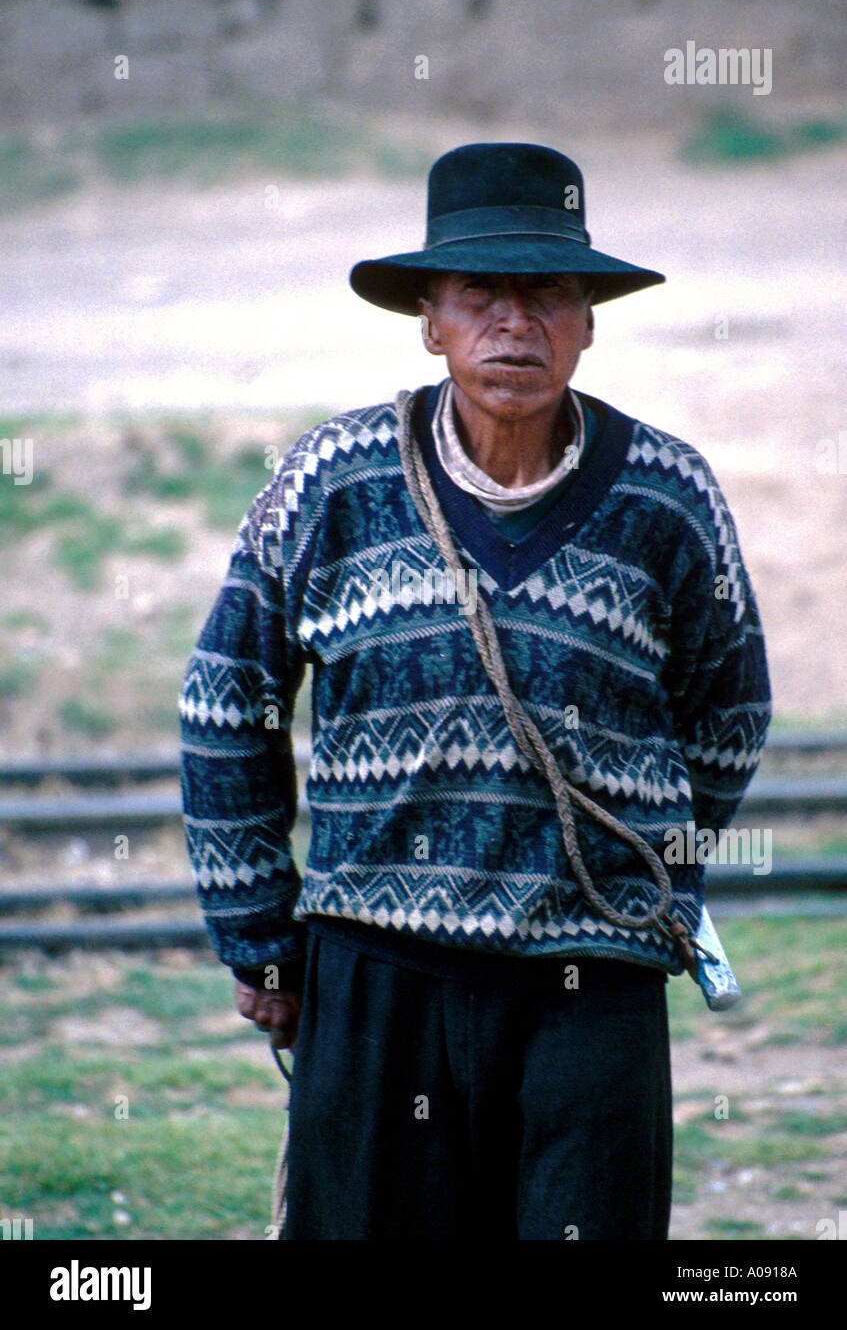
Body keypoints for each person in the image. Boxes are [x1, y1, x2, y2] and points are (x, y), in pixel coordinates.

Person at [179, 142, 771, 1240]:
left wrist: (650, 870)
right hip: (373, 981)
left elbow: (727, 713)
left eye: (547, 294)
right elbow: (227, 703)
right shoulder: (332, 482)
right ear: (430, 320)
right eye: (480, 295)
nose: (515, 324)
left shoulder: (667, 497)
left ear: (589, 320)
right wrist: (256, 932)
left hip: (592, 977)